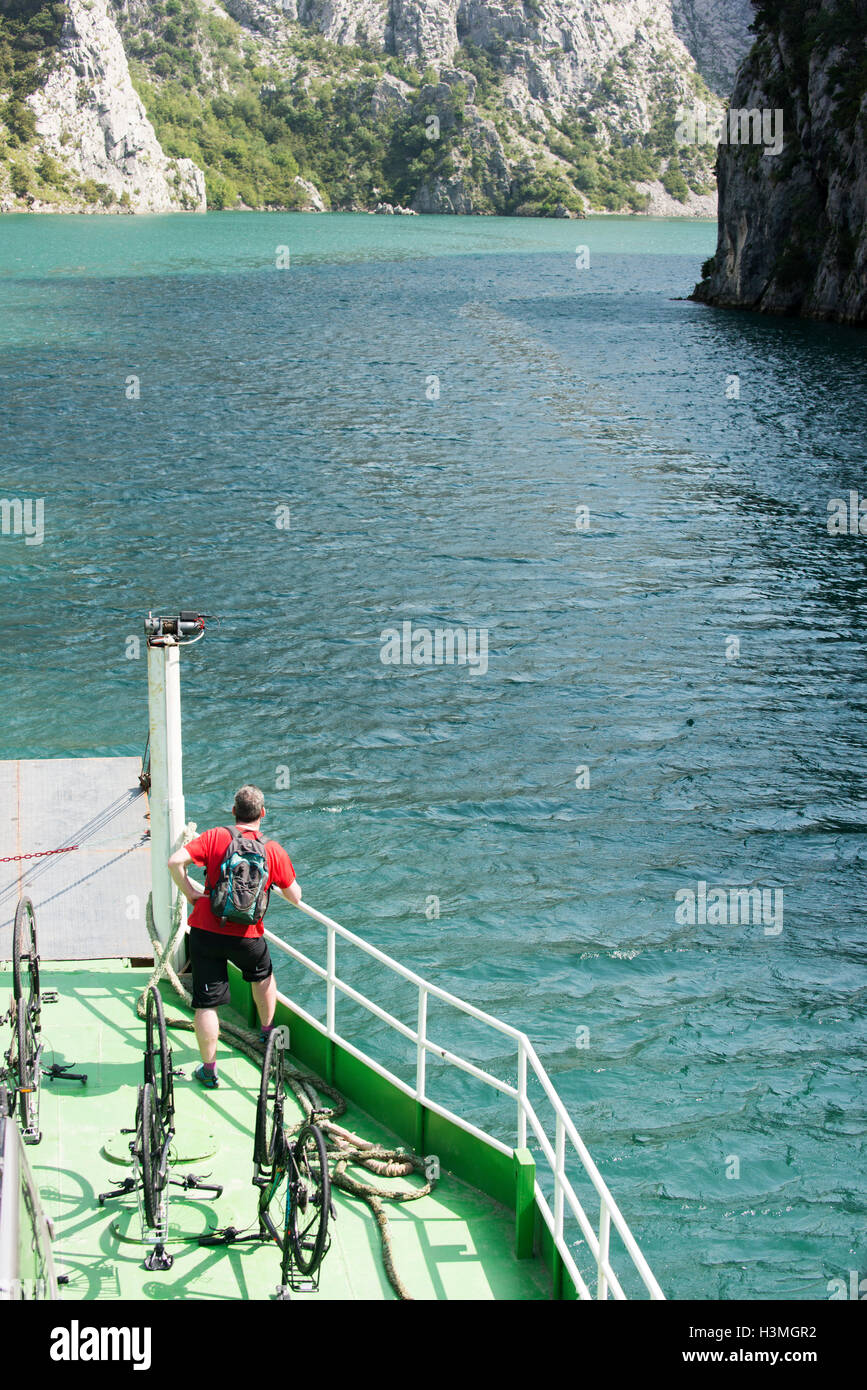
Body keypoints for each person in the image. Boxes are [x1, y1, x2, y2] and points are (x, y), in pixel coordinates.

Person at [167, 784, 301, 1088]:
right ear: (262, 814)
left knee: (207, 1004)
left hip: (206, 929)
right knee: (263, 975)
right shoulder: (272, 849)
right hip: (248, 934)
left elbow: (174, 862)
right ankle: (267, 1033)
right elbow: (296, 896)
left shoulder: (216, 837)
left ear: (233, 811)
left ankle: (209, 1070)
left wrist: (190, 892)